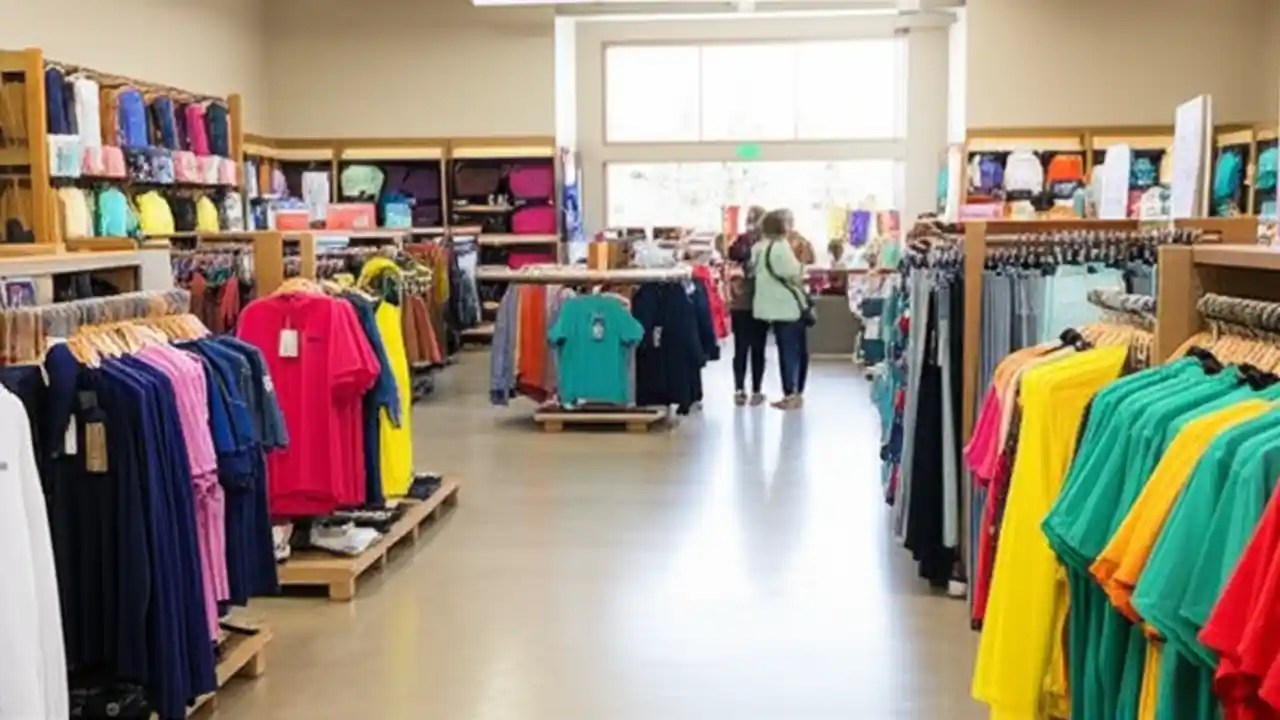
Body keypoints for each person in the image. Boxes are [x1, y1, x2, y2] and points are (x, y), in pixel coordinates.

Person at [751, 210, 807, 410]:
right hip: (787, 307)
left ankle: (790, 392)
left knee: (783, 350)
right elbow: (793, 273)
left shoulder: (760, 247)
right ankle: (792, 393)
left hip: (769, 306)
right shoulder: (782, 247)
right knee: (791, 351)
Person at [727, 206, 768, 405]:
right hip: (760, 300)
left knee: (740, 348)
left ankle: (739, 388)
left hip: (740, 302)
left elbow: (731, 255)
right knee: (758, 348)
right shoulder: (768, 245)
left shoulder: (740, 242)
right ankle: (757, 390)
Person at [779, 208, 812, 400]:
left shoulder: (799, 241)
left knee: (797, 346)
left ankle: (795, 388)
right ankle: (791, 388)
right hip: (789, 298)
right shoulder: (777, 246)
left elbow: (809, 259)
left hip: (797, 297)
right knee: (790, 346)